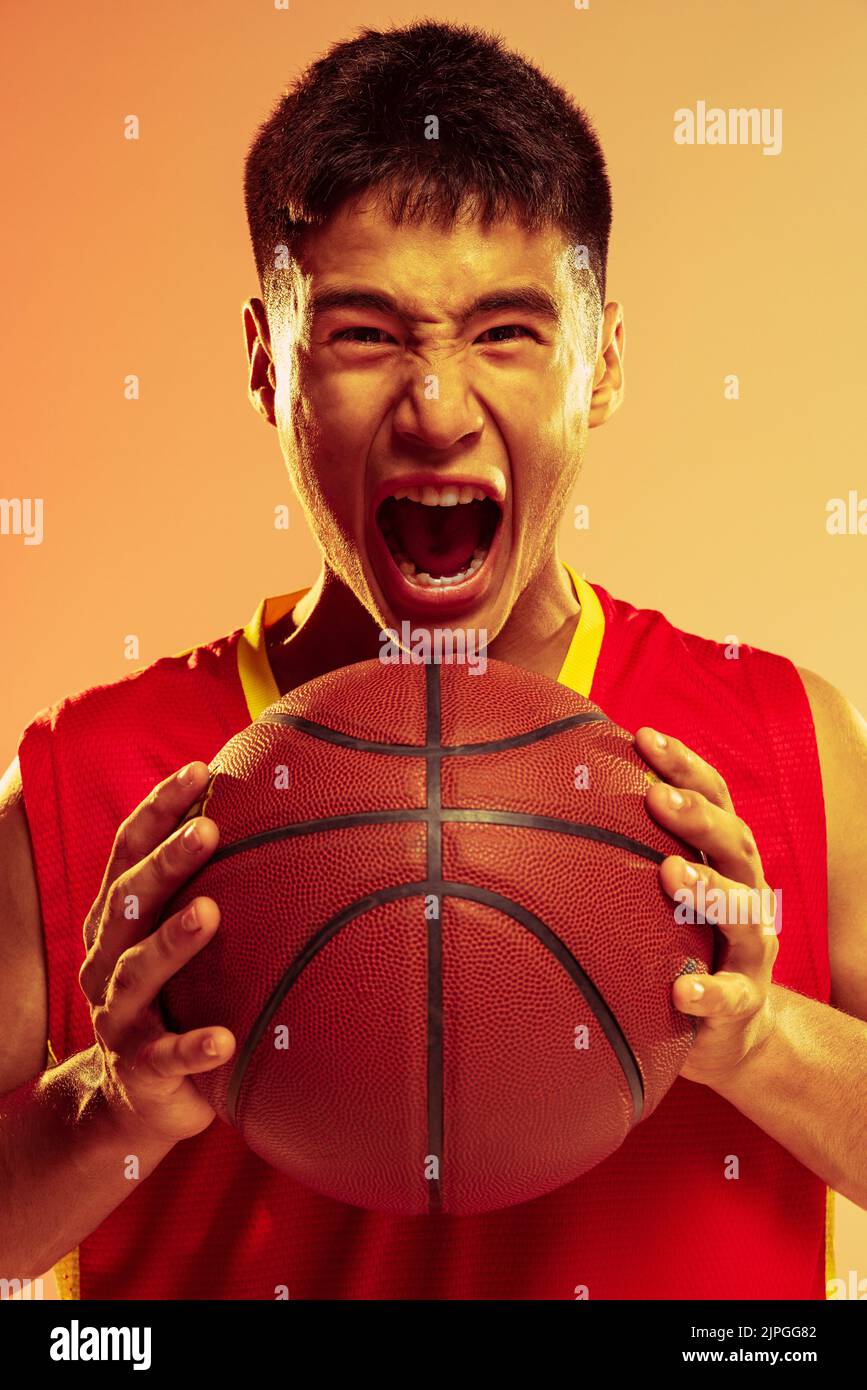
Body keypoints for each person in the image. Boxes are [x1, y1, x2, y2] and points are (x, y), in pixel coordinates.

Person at [1, 20, 865, 1301]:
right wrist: (112, 1105)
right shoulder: (89, 783)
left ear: (603, 361)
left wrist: (757, 1037)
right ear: (265, 360)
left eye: (509, 332)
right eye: (363, 334)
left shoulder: (787, 739)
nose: (439, 404)